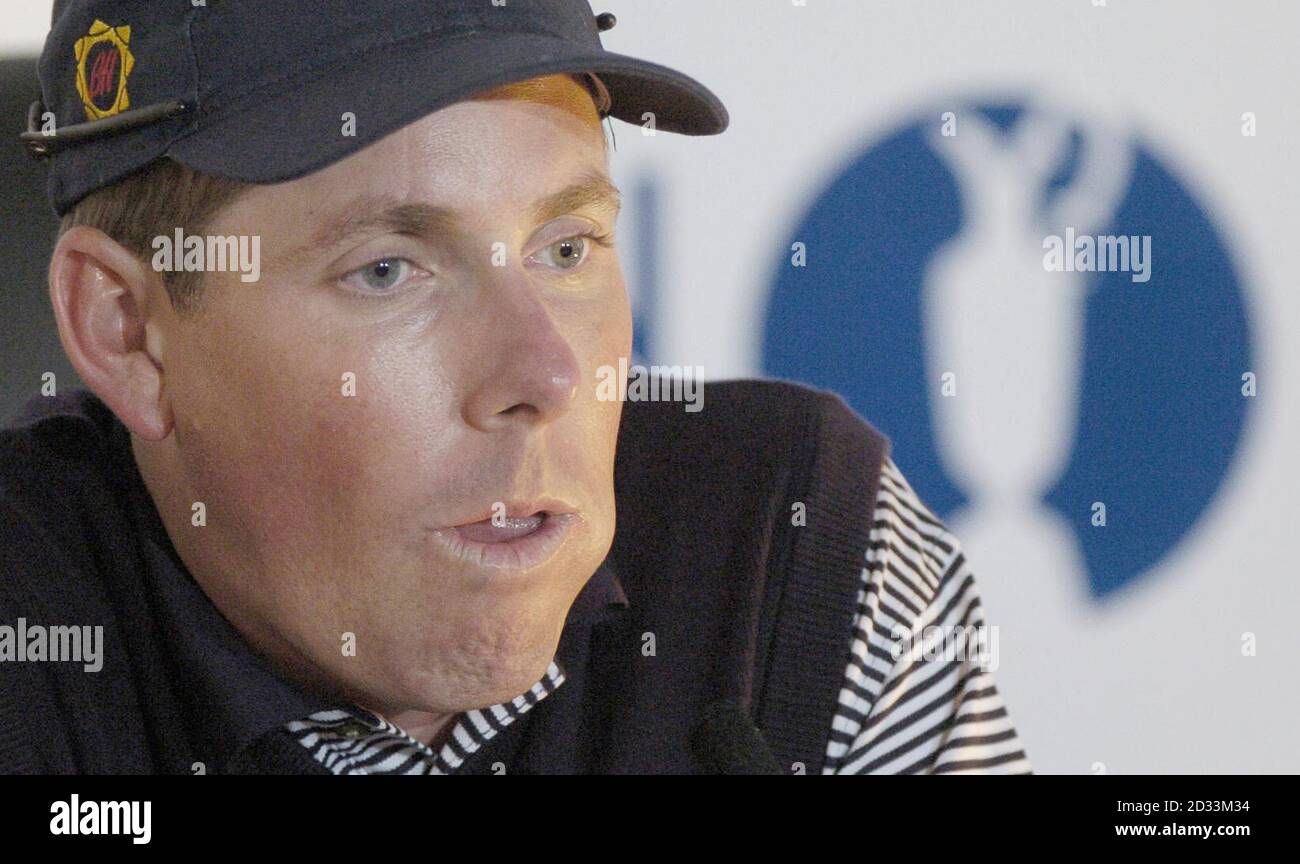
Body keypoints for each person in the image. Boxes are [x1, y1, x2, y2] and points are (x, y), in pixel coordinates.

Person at [0, 0, 1031, 774]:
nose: (545, 374)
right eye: (387, 271)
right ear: (126, 333)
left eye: (568, 248)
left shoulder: (797, 541)